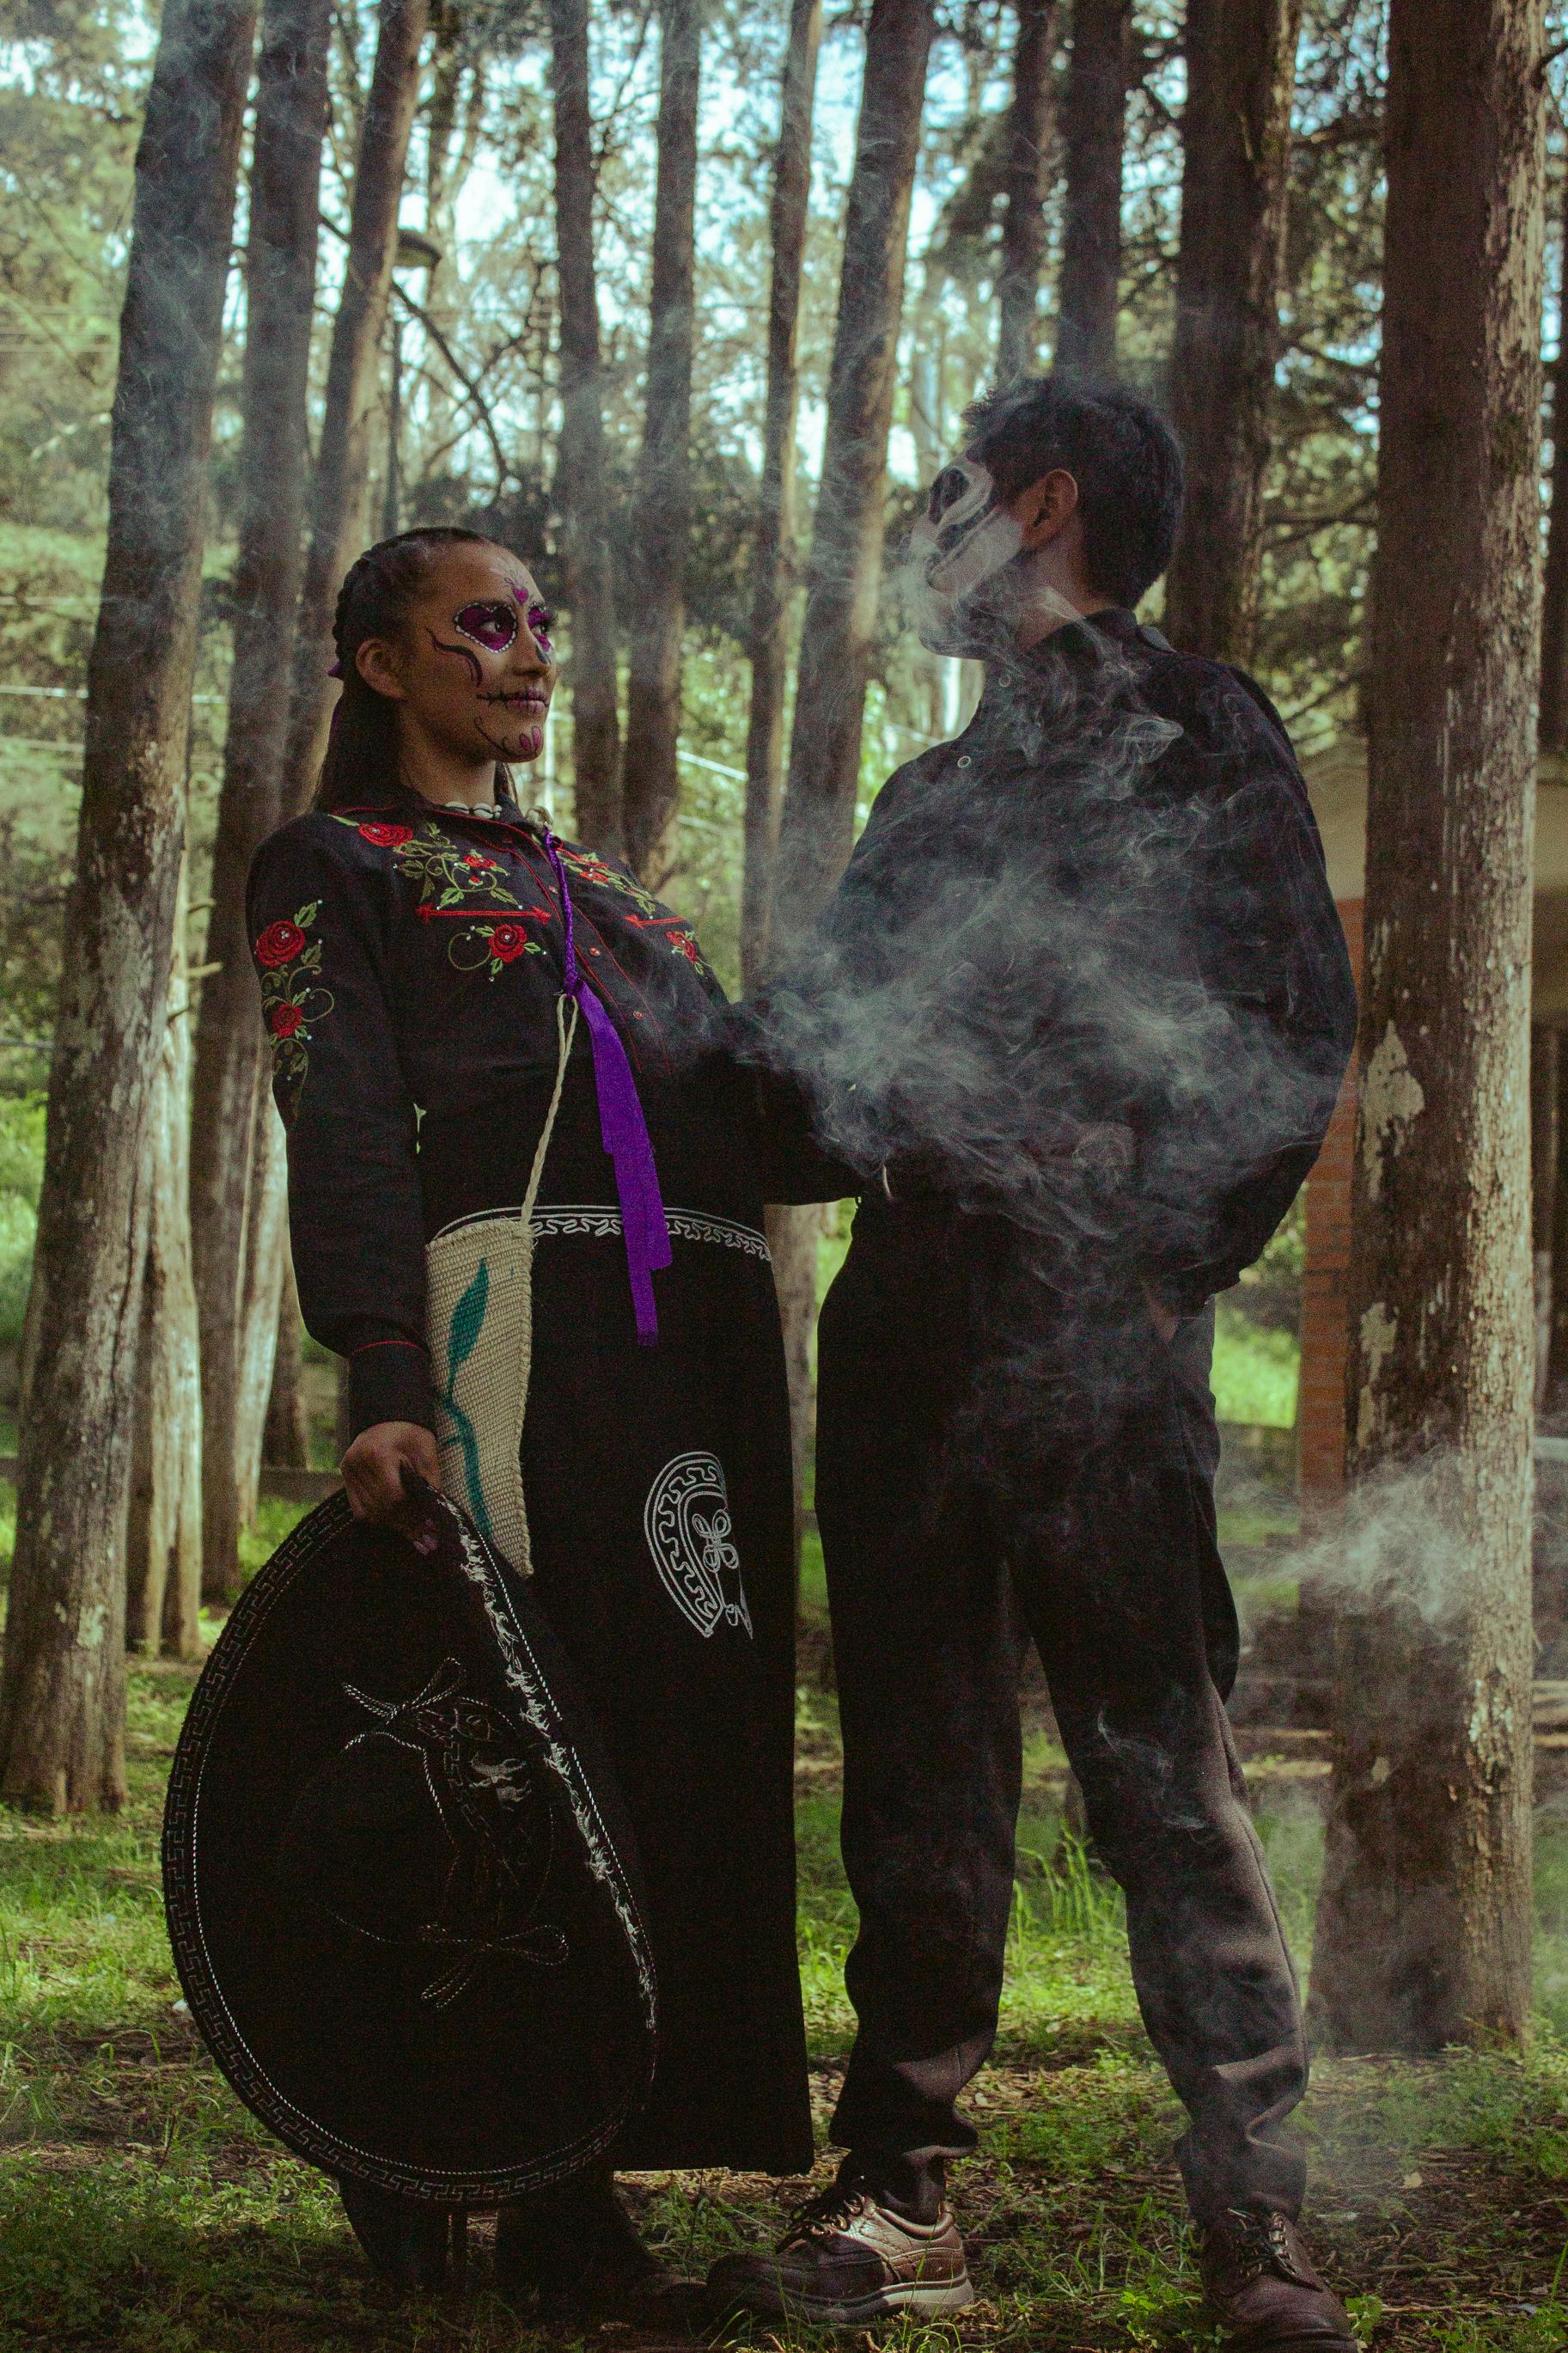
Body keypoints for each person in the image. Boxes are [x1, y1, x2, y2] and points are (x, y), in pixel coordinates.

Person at [710, 377, 1363, 2350]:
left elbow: (1295, 1023)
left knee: (1163, 1766)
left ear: (1040, 503)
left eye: (951, 491)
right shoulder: (930, 798)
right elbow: (804, 1088)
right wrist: (655, 1002)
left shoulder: (1198, 730)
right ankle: (904, 2193)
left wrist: (1164, 1272)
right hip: (910, 1313)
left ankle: (1254, 2223)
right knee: (913, 1758)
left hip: (1101, 1307)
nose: (925, 523)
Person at [247, 526, 815, 2308]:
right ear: (379, 661)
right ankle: (444, 2155)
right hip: (516, 1323)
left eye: (538, 627)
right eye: (480, 625)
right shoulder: (334, 861)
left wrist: (956, 1078)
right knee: (502, 1741)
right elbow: (338, 1118)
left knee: (664, 1738)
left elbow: (766, 1118)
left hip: (694, 1350)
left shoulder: (618, 893)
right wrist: (384, 1378)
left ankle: (578, 2176)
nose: (525, 653)